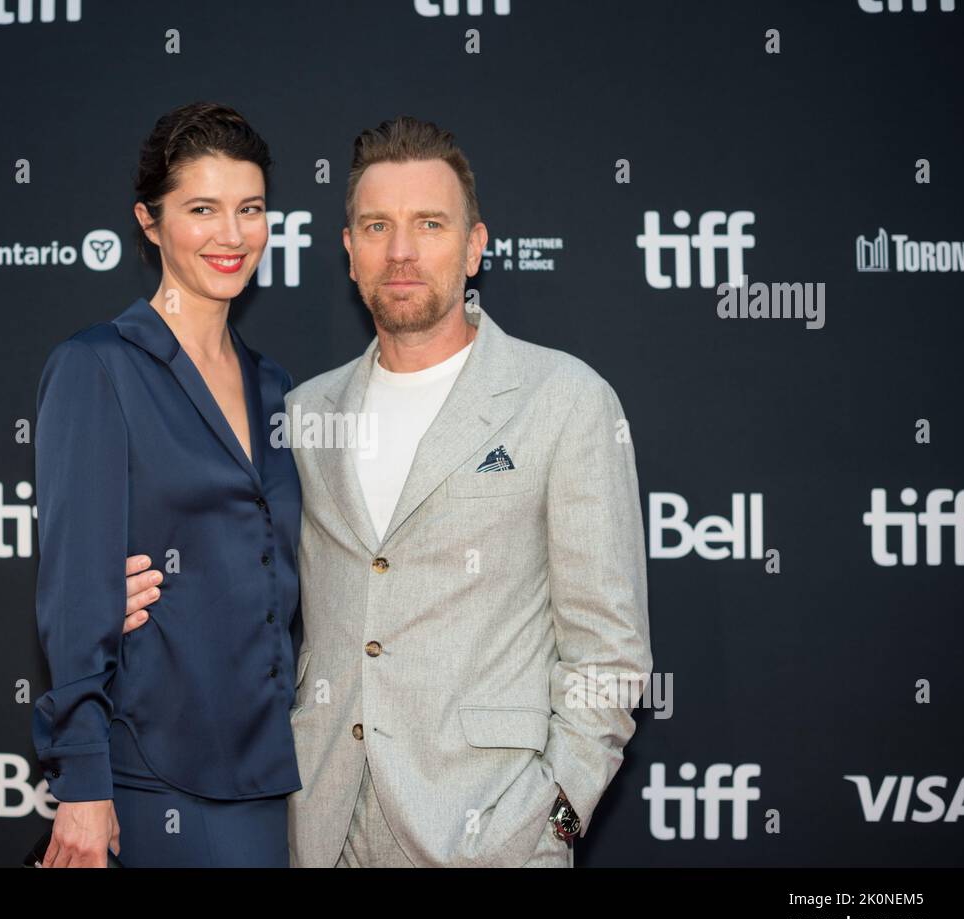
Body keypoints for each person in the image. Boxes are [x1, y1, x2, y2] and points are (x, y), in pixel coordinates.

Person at [124, 115, 653, 868]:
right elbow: (245, 579)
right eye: (377, 226)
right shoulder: (304, 412)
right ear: (349, 251)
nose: (401, 251)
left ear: (475, 245)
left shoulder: (563, 399)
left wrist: (554, 819)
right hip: (324, 824)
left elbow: (609, 650)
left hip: (494, 831)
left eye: (429, 224)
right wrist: (121, 594)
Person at [32, 102, 302, 867]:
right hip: (156, 770)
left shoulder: (275, 387)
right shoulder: (98, 368)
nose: (232, 235)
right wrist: (83, 783)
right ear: (149, 223)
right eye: (202, 209)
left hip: (274, 767)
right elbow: (73, 590)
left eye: (250, 209)